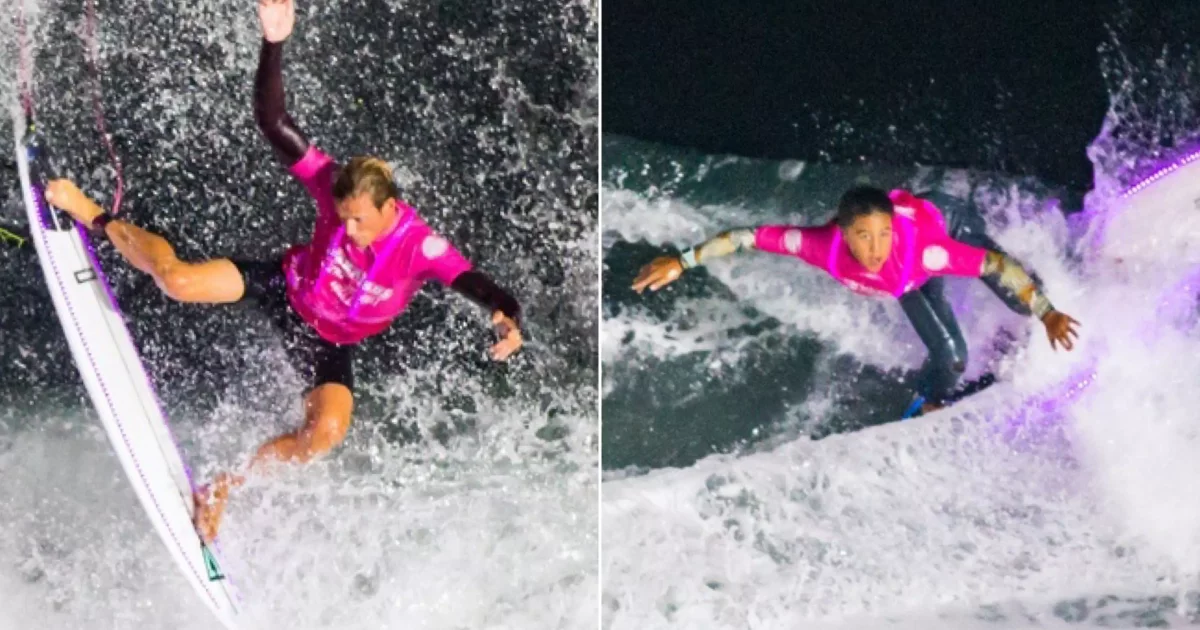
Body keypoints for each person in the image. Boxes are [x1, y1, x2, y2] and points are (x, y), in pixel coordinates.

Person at [42, 0, 524, 542]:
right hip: (286, 286)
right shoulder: (332, 186)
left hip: (331, 338)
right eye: (344, 220)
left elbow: (482, 286)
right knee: (177, 281)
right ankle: (93, 214)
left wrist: (506, 318)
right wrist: (274, 42)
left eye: (361, 223)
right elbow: (273, 121)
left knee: (325, 434)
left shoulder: (422, 247)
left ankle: (224, 486)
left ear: (390, 208)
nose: (351, 232)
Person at [632, 185, 1081, 414]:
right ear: (844, 232)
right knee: (953, 359)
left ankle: (1069, 285)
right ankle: (927, 399)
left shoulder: (927, 252)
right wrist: (682, 261)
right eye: (864, 237)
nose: (876, 247)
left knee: (1023, 300)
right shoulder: (819, 245)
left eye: (883, 235)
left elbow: (998, 266)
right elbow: (746, 237)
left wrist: (1047, 311)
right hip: (912, 274)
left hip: (950, 221)